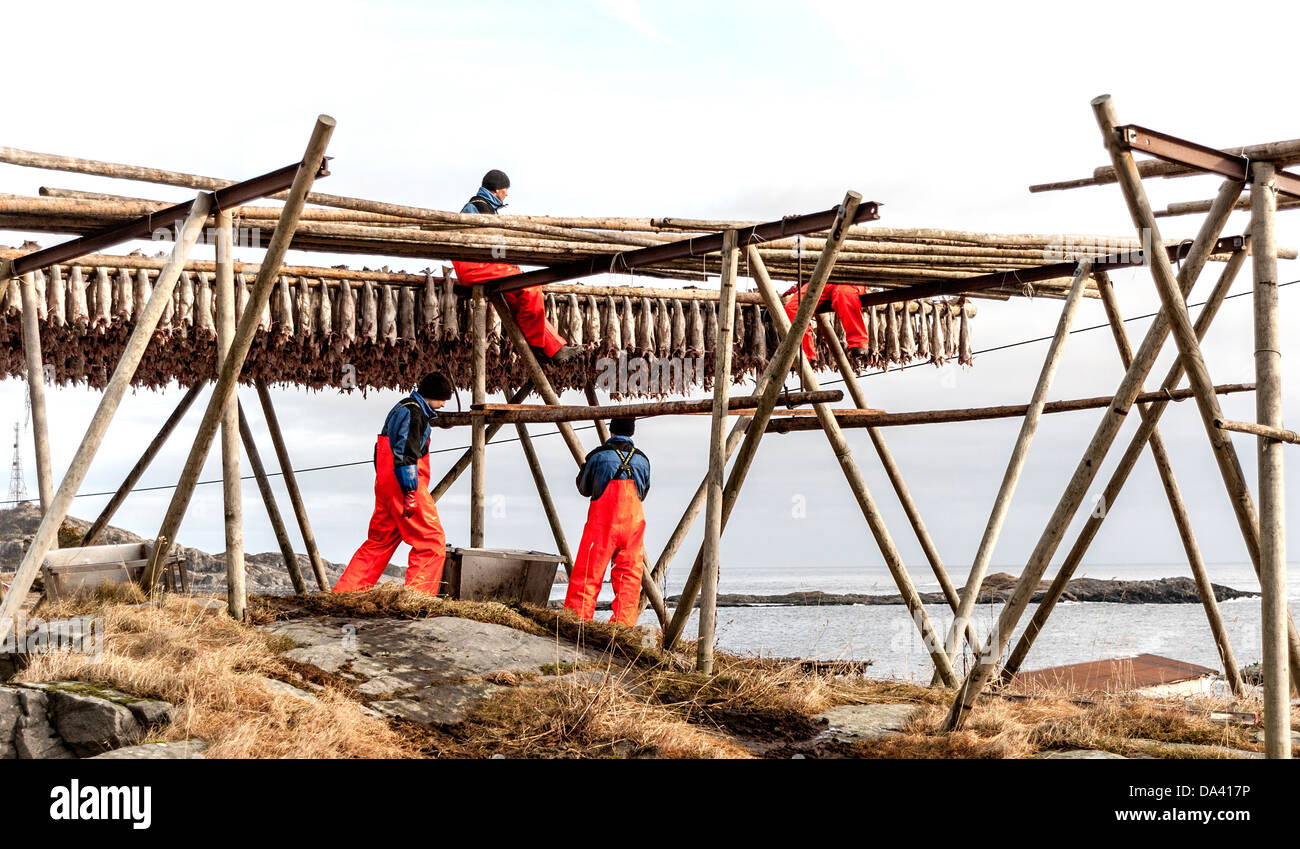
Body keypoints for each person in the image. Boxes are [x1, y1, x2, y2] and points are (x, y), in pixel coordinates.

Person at [334, 372, 454, 595]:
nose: (444, 403)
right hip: (405, 485)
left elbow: (381, 450)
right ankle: (417, 598)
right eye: (442, 398)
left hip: (386, 485)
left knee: (380, 541)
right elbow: (406, 453)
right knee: (431, 542)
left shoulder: (400, 408)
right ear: (432, 395)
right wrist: (410, 493)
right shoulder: (414, 413)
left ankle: (346, 593)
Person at [452, 169, 582, 364]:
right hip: (475, 267)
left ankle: (554, 348)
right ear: (497, 190)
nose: (506, 194)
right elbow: (482, 244)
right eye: (505, 190)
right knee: (530, 286)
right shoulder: (475, 208)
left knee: (520, 301)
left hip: (485, 268)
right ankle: (536, 345)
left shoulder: (487, 208)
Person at [564, 417, 650, 626]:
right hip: (632, 526)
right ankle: (622, 628)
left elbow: (583, 488)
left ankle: (577, 624)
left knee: (588, 575)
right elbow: (644, 492)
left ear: (611, 430)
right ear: (632, 432)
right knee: (629, 577)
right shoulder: (642, 460)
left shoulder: (598, 456)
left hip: (603, 526)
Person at [782, 279, 872, 362]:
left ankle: (858, 343)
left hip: (850, 280)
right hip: (819, 279)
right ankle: (806, 356)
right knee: (793, 307)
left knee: (844, 295)